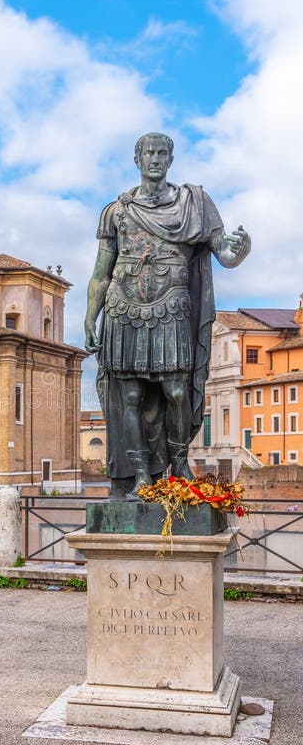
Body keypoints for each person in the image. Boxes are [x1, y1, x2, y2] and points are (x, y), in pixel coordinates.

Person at [84, 133, 251, 499]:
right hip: (122, 309)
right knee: (129, 396)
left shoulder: (195, 204)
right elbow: (101, 271)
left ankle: (178, 462)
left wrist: (238, 251)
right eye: (149, 153)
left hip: (172, 305)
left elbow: (222, 252)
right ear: (137, 159)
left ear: (171, 159)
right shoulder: (116, 211)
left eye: (162, 153)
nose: (155, 159)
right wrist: (89, 318)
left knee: (176, 390)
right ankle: (141, 473)